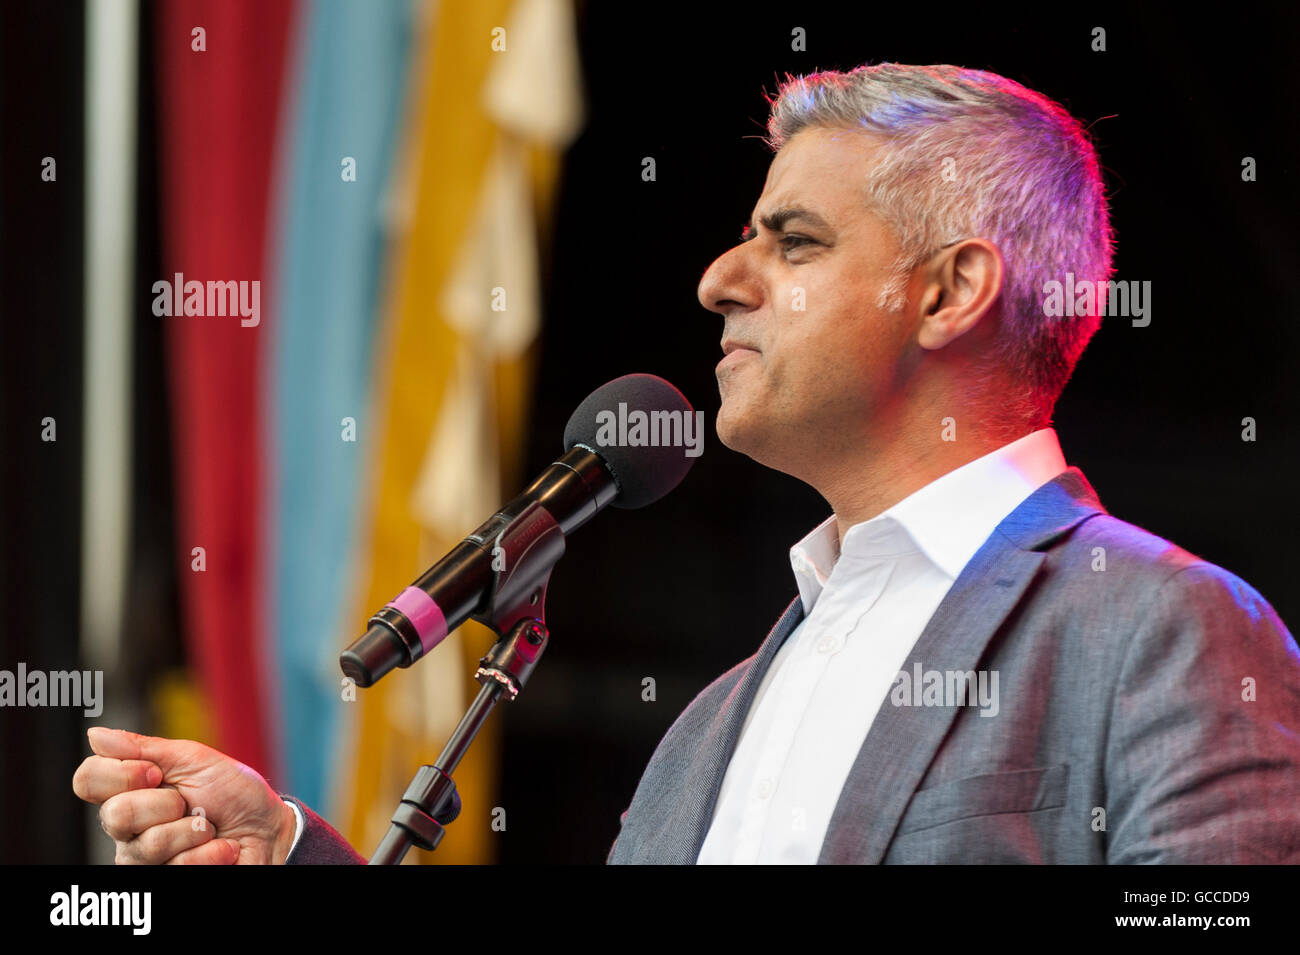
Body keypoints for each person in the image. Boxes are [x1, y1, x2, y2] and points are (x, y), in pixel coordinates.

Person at [73, 63, 1300, 865]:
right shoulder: (716, 721)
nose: (720, 278)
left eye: (794, 240)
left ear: (950, 290)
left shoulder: (1160, 627)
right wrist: (295, 850)